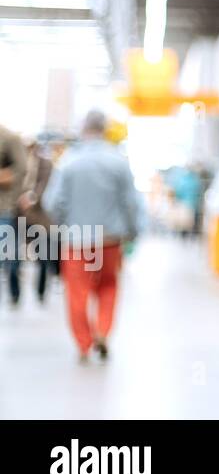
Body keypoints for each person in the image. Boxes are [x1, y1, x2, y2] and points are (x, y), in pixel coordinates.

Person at [43, 111, 145, 362]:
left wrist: (62, 226)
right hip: (109, 240)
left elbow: (53, 202)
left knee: (77, 292)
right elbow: (131, 203)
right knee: (108, 286)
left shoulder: (69, 162)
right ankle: (103, 330)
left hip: (76, 241)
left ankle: (84, 343)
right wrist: (132, 231)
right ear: (105, 129)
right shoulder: (118, 162)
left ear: (83, 128)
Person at [16, 140, 58, 304]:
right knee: (13, 256)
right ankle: (15, 292)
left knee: (43, 256)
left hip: (40, 218)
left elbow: (44, 185)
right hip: (18, 216)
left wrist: (32, 198)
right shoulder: (17, 162)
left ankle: (41, 289)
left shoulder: (46, 164)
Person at [0, 121, 30, 306]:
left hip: (5, 208)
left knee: (9, 258)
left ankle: (14, 291)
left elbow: (22, 169)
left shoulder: (9, 138)